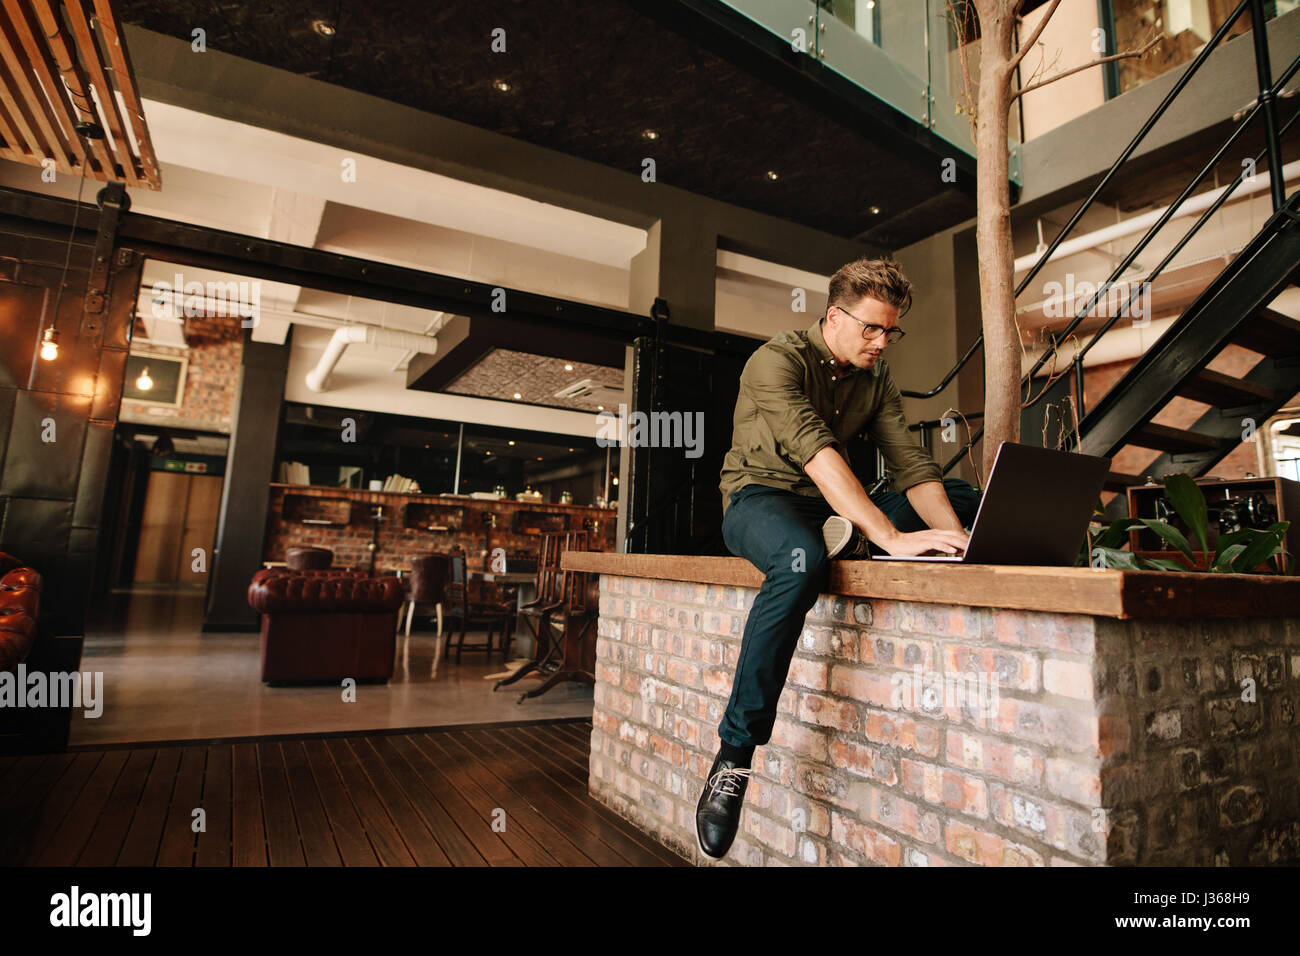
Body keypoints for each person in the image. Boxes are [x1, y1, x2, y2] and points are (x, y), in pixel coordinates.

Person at [696, 255, 982, 859]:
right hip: (761, 499)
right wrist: (894, 540)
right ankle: (733, 756)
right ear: (833, 316)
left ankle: (852, 535)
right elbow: (818, 452)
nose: (881, 343)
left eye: (891, 330)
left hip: (838, 504)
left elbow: (910, 465)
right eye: (871, 329)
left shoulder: (875, 381)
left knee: (960, 495)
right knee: (802, 560)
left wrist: (958, 542)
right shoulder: (775, 361)